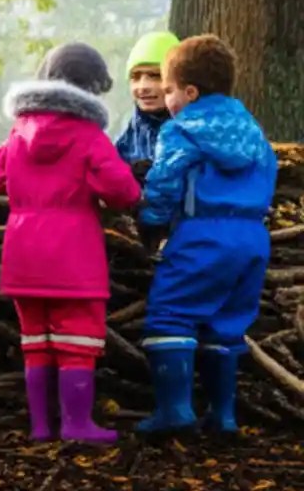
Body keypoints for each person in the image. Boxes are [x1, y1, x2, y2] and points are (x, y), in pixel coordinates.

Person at [0, 42, 140, 444]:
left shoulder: (19, 130)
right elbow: (121, 189)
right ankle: (76, 424)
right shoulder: (87, 135)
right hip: (73, 257)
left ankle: (39, 427)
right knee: (78, 343)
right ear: (90, 88)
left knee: (36, 343)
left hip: (22, 254)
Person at [135, 35, 276, 436]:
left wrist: (152, 220)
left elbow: (164, 182)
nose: (166, 99)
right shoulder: (254, 132)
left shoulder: (182, 130)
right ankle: (223, 415)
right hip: (252, 237)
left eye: (168, 90)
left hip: (202, 232)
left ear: (190, 92)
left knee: (170, 314)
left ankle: (175, 411)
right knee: (227, 322)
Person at [115, 31, 181, 170]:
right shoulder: (129, 138)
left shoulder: (198, 133)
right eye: (135, 77)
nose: (143, 87)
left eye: (155, 76)